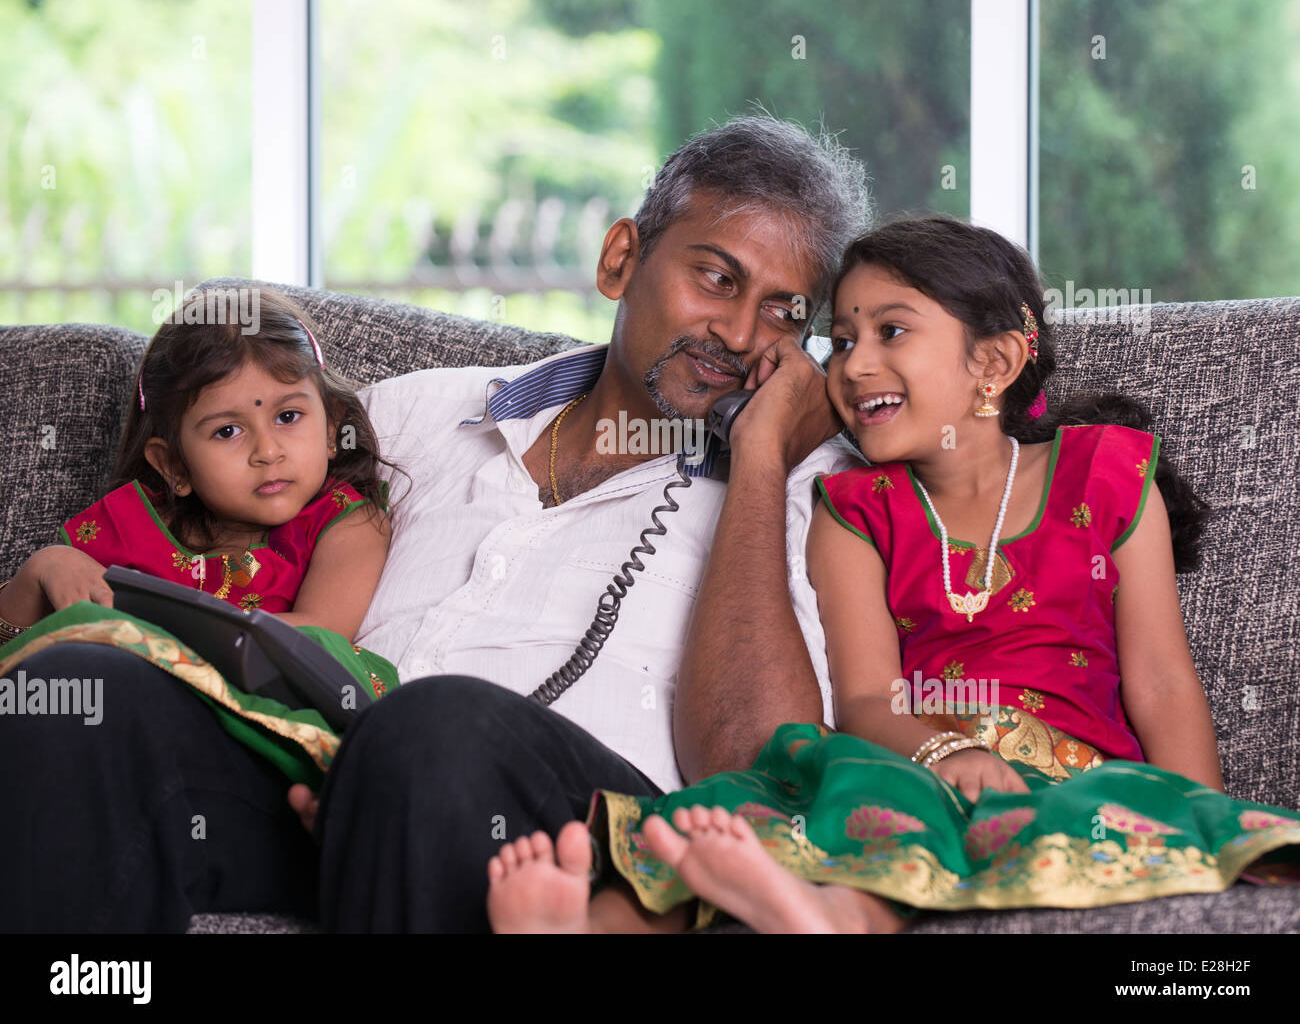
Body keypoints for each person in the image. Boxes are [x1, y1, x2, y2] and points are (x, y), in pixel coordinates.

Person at [0, 112, 872, 932]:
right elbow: (226, 564)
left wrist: (757, 461)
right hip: (329, 788)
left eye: (782, 314)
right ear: (620, 260)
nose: (736, 329)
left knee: (432, 725)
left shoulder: (808, 497)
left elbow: (753, 768)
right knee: (85, 689)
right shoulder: (415, 415)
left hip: (573, 841)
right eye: (716, 278)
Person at [485, 216, 1300, 934]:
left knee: (896, 809)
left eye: (891, 333)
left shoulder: (1108, 475)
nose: (854, 365)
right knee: (815, 788)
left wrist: (1203, 825)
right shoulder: (854, 509)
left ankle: (834, 917)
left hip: (1082, 782)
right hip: (922, 757)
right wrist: (943, 749)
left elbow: (1161, 682)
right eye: (841, 341)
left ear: (996, 361)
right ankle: (597, 922)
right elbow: (867, 698)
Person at [0, 289, 399, 785]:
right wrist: (44, 568)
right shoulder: (124, 528)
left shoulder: (344, 521)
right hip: (102, 746)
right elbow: (15, 648)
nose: (268, 450)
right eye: (228, 431)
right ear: (173, 466)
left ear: (331, 426)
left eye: (288, 417)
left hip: (236, 748)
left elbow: (319, 637)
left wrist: (147, 641)